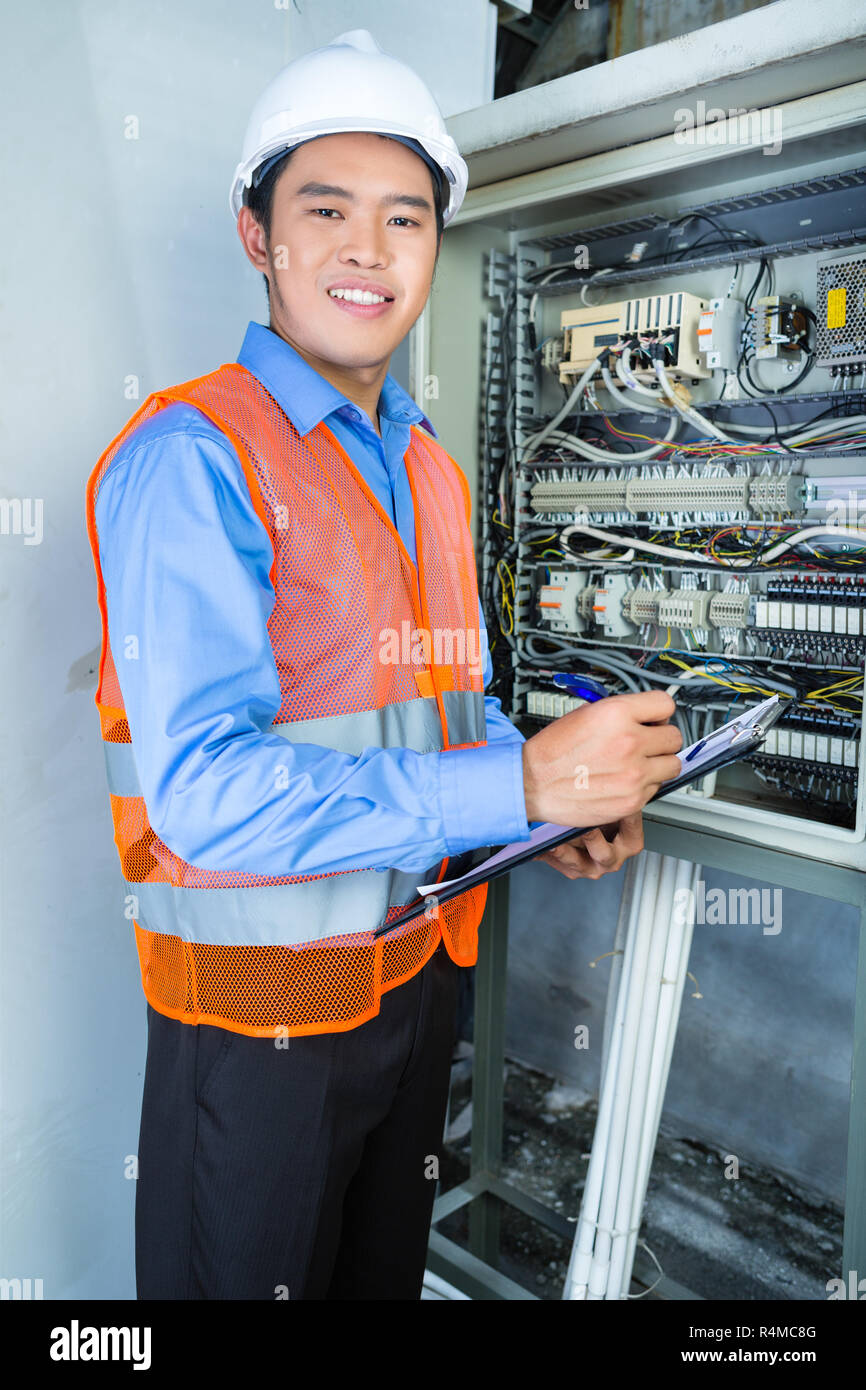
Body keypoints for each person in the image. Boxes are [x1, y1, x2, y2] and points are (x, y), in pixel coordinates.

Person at [85, 28, 682, 1301]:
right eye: (326, 208)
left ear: (432, 246)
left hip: (411, 991)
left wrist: (539, 805)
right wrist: (511, 788)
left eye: (403, 218)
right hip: (260, 1022)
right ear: (260, 236)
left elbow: (425, 721)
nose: (367, 249)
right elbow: (203, 792)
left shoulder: (427, 470)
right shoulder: (192, 457)